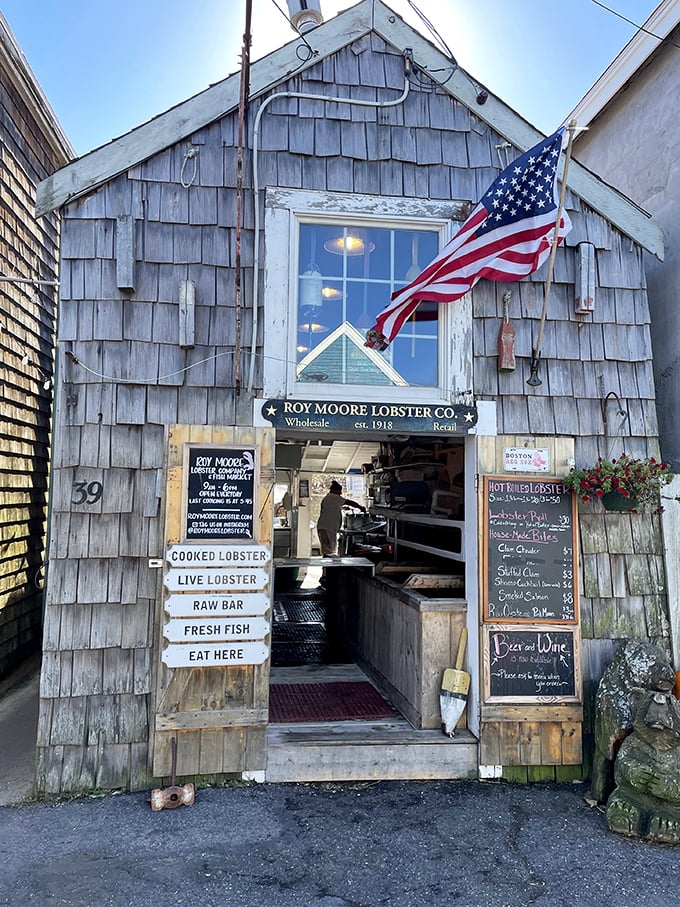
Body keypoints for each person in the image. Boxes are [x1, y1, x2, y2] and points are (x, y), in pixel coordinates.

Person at [316, 480, 366, 557]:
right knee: (329, 553)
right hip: (328, 529)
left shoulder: (328, 498)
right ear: (335, 490)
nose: (340, 493)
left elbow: (330, 508)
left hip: (325, 528)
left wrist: (342, 508)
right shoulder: (333, 497)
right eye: (340, 491)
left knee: (327, 552)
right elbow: (349, 502)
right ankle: (328, 568)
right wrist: (360, 507)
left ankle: (326, 568)